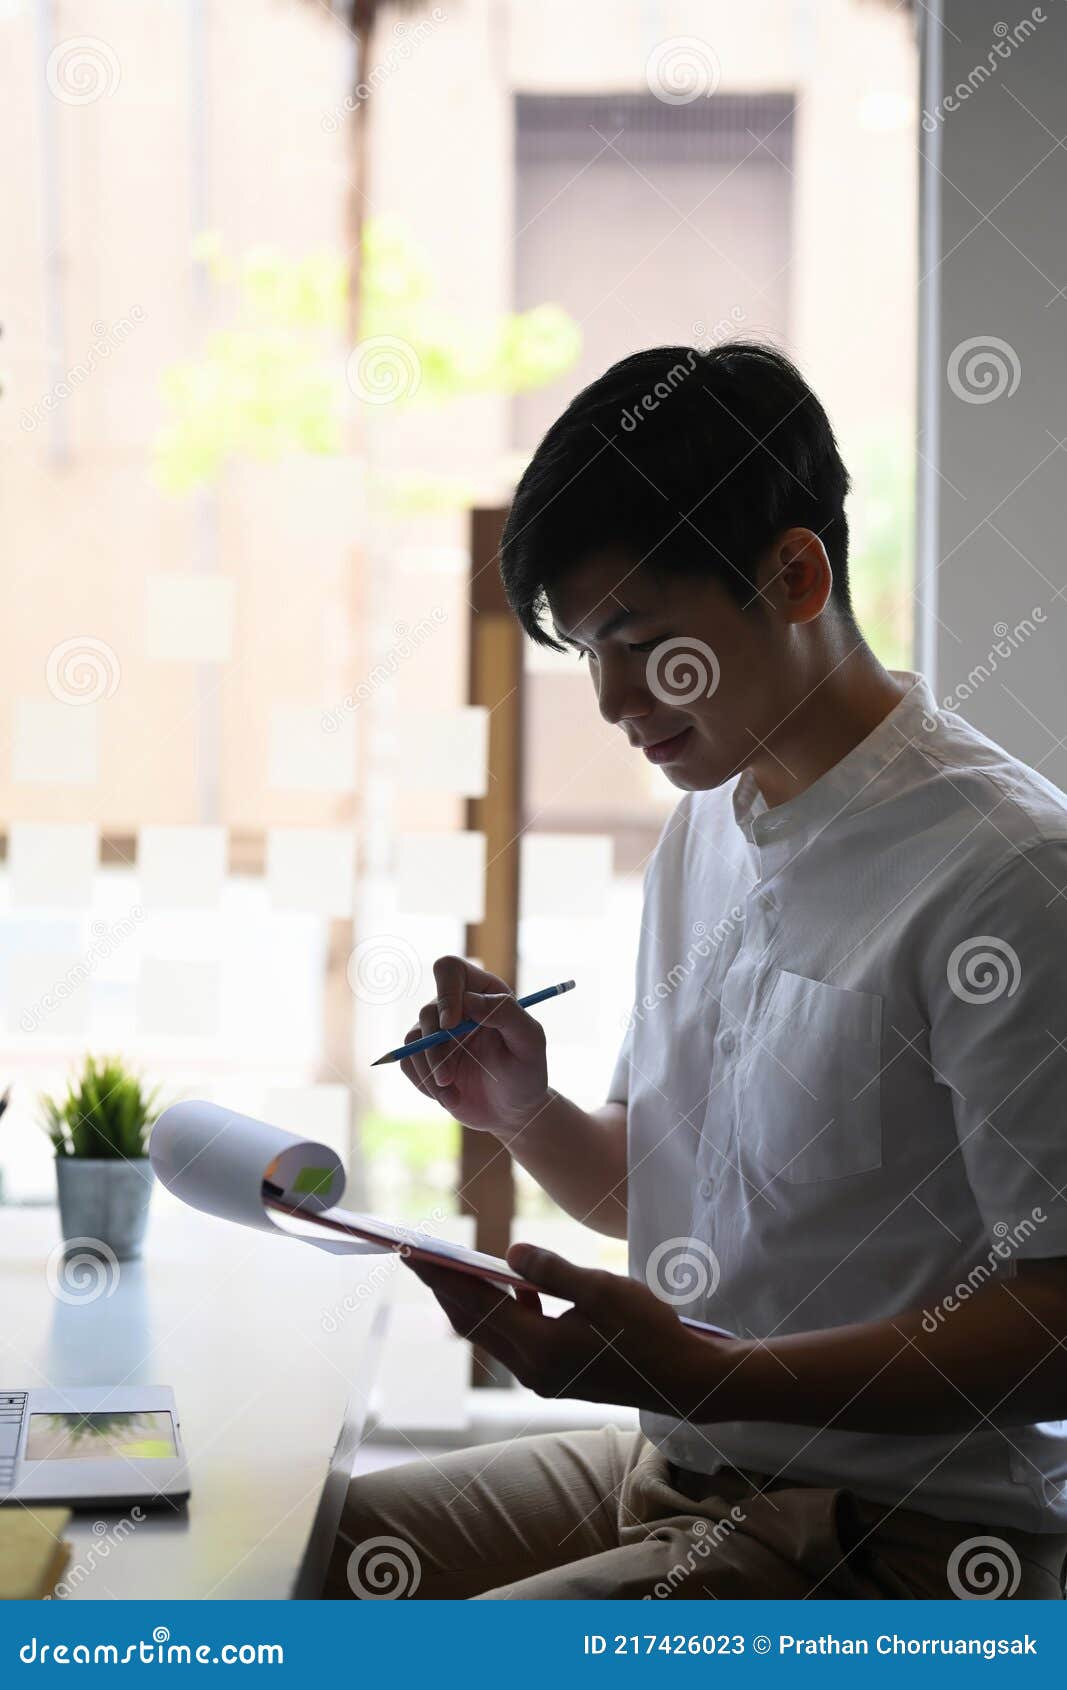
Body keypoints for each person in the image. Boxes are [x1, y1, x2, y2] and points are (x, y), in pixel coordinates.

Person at [325, 341, 1067, 1600]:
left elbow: (1055, 1315)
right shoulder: (708, 821)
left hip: (902, 1533)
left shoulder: (1007, 874)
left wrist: (707, 1377)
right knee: (287, 1561)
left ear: (792, 574)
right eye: (587, 654)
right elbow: (655, 1200)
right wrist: (524, 1110)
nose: (614, 698)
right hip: (680, 1463)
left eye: (642, 640)